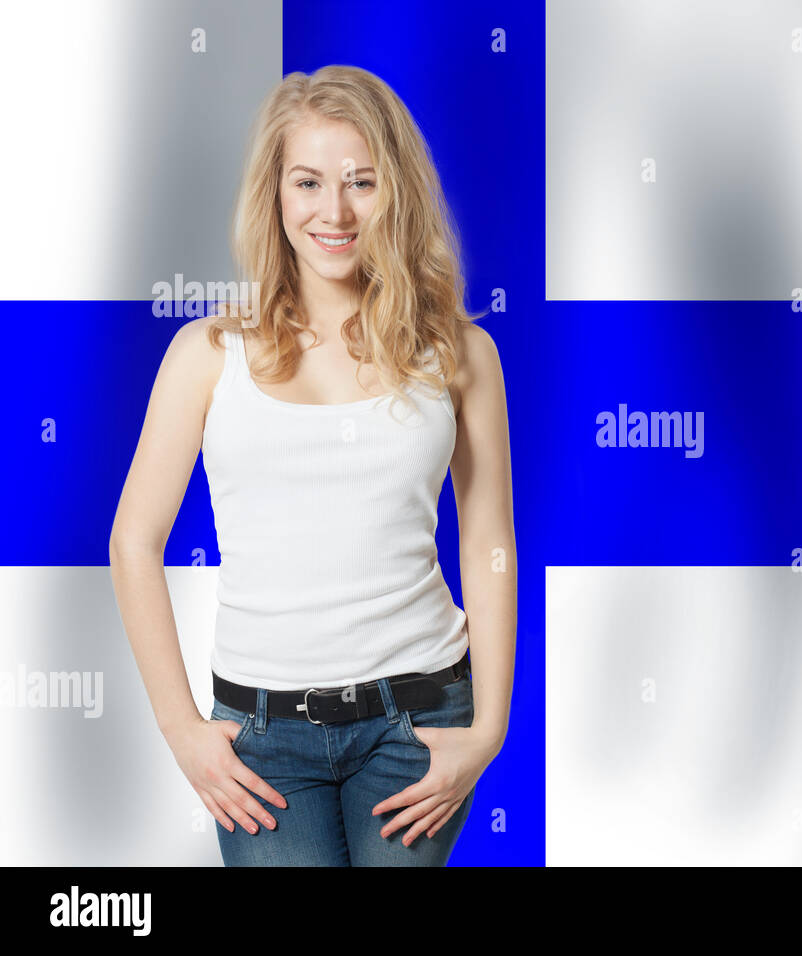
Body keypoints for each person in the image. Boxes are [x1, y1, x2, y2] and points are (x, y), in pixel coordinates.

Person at [108, 65, 515, 866]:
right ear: (276, 194)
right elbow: (133, 543)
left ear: (395, 190)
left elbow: (489, 543)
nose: (335, 211)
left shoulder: (462, 354)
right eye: (309, 182)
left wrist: (489, 732)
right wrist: (182, 731)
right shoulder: (205, 355)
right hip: (262, 740)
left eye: (361, 181)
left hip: (419, 720)